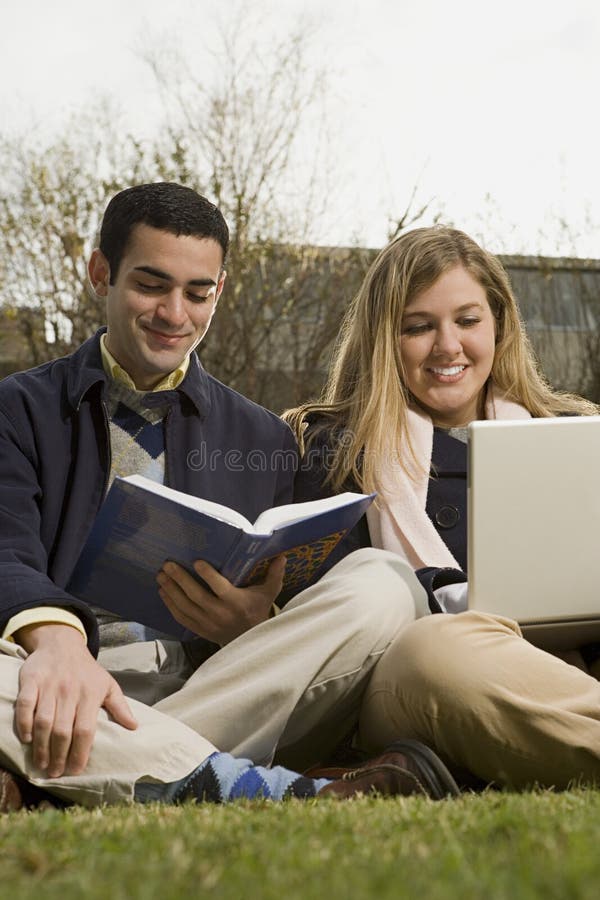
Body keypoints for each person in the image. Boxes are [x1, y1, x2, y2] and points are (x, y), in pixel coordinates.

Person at [0, 185, 466, 814]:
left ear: (219, 292)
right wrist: (57, 644)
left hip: (217, 687)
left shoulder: (265, 436)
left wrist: (250, 625)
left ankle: (57, 775)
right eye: (151, 285)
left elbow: (284, 609)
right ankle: (260, 787)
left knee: (384, 581)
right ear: (100, 273)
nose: (174, 313)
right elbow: (6, 549)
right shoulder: (18, 409)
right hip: (63, 680)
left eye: (198, 292)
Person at [285, 224, 600, 791]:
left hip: (565, 669)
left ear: (498, 324)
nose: (448, 346)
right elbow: (334, 617)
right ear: (386, 338)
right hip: (407, 684)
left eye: (467, 320)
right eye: (418, 327)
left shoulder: (571, 433)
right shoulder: (333, 450)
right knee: (435, 649)